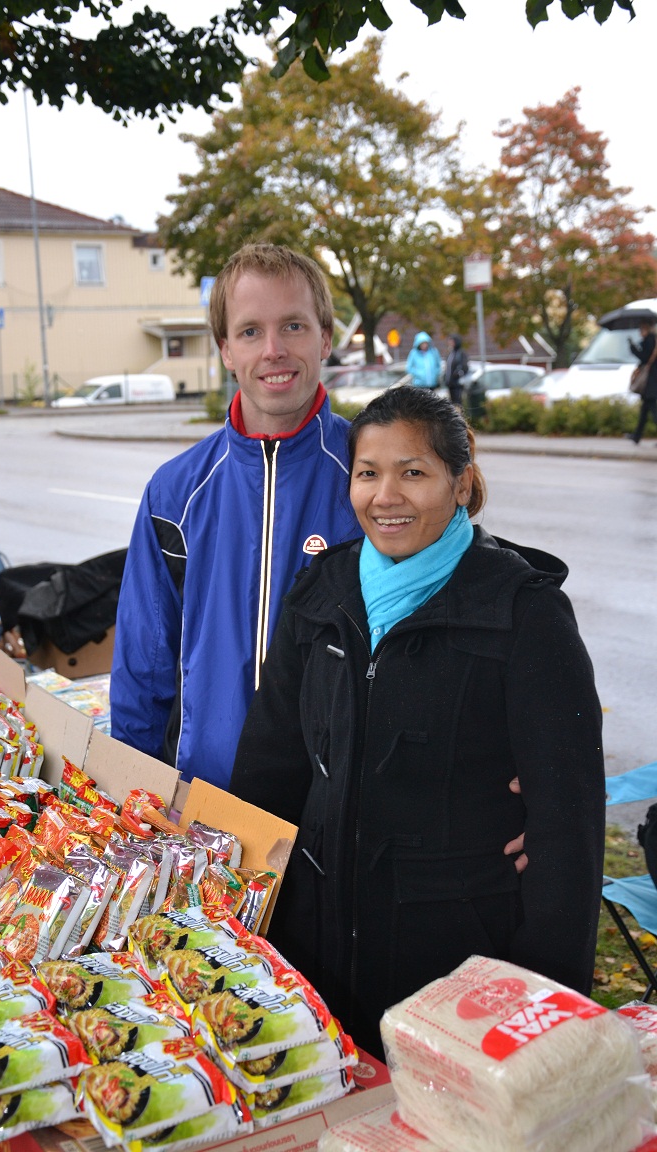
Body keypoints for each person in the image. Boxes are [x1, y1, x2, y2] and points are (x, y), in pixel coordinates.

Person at [230, 385, 605, 1058]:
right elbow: (269, 765)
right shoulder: (322, 592)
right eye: (368, 474)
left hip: (456, 969)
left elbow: (566, 826)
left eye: (414, 473)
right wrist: (244, 925)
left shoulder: (523, 615)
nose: (386, 496)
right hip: (314, 954)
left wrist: (545, 1009)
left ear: (460, 484)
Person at [109, 244, 361, 789]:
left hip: (339, 809)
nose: (274, 349)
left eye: (293, 325)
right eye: (250, 332)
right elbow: (143, 667)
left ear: (325, 338)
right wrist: (127, 791)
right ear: (225, 349)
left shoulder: (372, 477)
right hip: (208, 798)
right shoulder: (174, 493)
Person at [626, 320, 657, 444]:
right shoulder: (653, 340)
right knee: (644, 410)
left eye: (641, 329)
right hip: (652, 379)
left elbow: (644, 357)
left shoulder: (650, 340)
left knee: (653, 410)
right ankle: (637, 436)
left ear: (646, 329)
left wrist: (632, 347)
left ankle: (637, 436)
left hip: (651, 380)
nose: (640, 332)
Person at [443, 334, 468, 407]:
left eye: (452, 341)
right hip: (450, 384)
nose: (450, 343)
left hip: (457, 384)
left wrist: (457, 374)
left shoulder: (461, 353)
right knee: (452, 403)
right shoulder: (450, 353)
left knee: (458, 403)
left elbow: (465, 368)